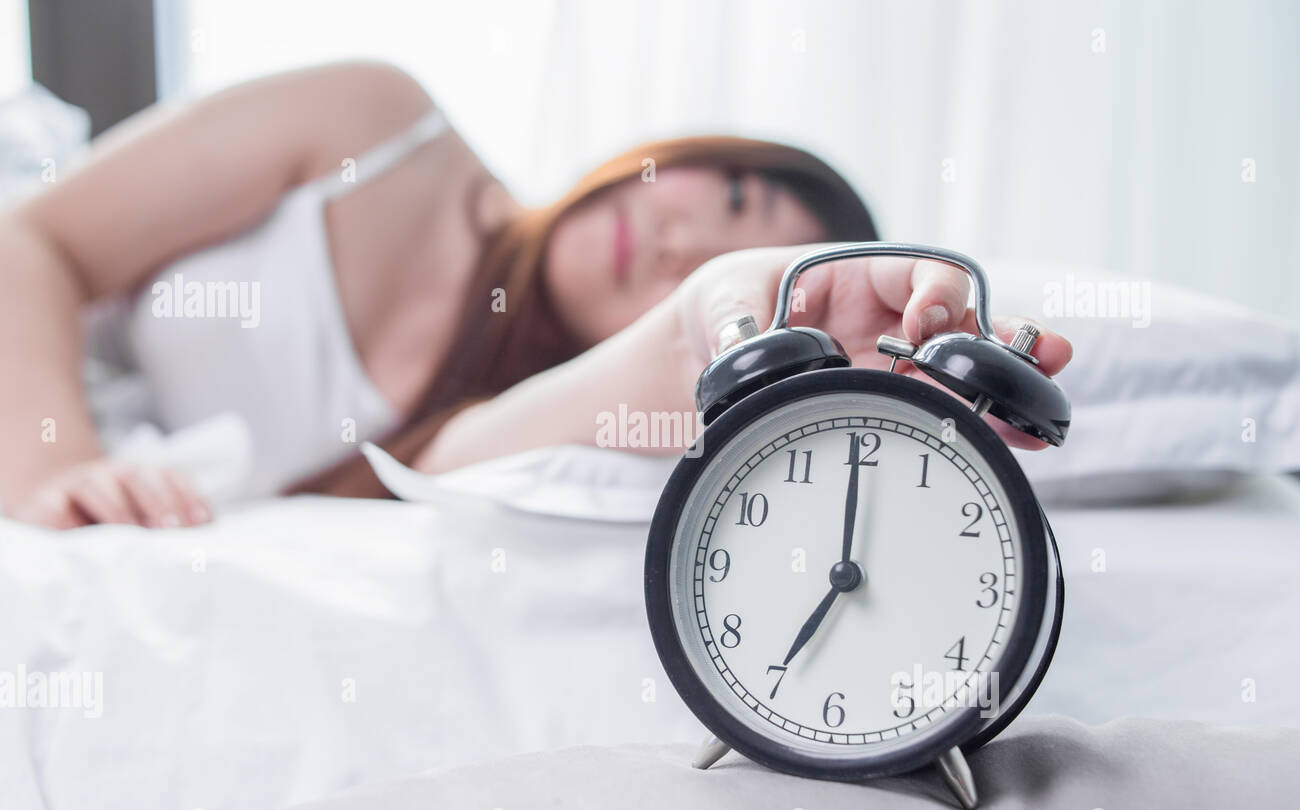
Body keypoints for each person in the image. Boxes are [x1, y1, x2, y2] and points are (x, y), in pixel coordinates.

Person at [0, 62, 1071, 530]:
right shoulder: (380, 127)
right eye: (730, 192)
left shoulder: (507, 424)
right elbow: (36, 239)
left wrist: (725, 305)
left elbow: (673, 340)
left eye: (723, 252)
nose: (675, 233)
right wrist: (60, 476)